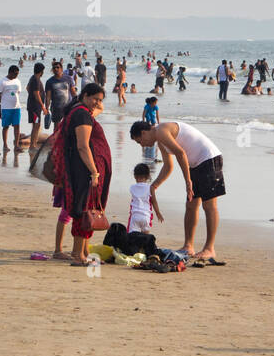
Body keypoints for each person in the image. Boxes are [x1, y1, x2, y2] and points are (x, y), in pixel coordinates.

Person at [130, 119, 224, 262]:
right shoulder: (160, 140)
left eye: (139, 141)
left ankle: (209, 248)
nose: (142, 145)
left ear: (143, 133)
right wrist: (154, 186)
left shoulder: (161, 131)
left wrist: (188, 181)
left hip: (208, 159)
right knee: (191, 205)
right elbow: (168, 166)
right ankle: (188, 246)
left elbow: (181, 153)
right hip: (196, 164)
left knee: (209, 206)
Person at [50, 83, 111, 266]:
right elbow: (83, 146)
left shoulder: (80, 111)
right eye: (94, 98)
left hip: (78, 169)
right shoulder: (82, 114)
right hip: (82, 170)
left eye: (100, 100)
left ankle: (83, 252)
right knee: (83, 210)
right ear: (85, 95)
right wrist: (94, 171)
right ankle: (78, 255)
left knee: (85, 209)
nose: (97, 103)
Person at [127, 162, 162, 233]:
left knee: (132, 238)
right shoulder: (150, 188)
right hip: (146, 216)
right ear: (148, 176)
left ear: (134, 176)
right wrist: (158, 213)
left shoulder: (132, 188)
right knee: (145, 238)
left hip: (135, 215)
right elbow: (154, 201)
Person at [0, 65, 22, 153]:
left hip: (17, 107)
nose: (16, 75)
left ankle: (17, 145)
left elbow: (18, 93)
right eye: (15, 74)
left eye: (17, 74)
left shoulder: (18, 81)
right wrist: (3, 103)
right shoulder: (2, 82)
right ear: (10, 72)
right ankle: (5, 145)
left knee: (17, 125)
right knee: (6, 126)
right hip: (6, 108)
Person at [25, 62, 47, 150]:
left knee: (36, 125)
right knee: (36, 125)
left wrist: (31, 97)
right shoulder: (36, 79)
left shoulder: (32, 78)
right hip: (35, 107)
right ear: (41, 71)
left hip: (33, 105)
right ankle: (32, 145)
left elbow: (27, 88)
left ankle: (33, 144)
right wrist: (43, 106)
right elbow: (37, 94)